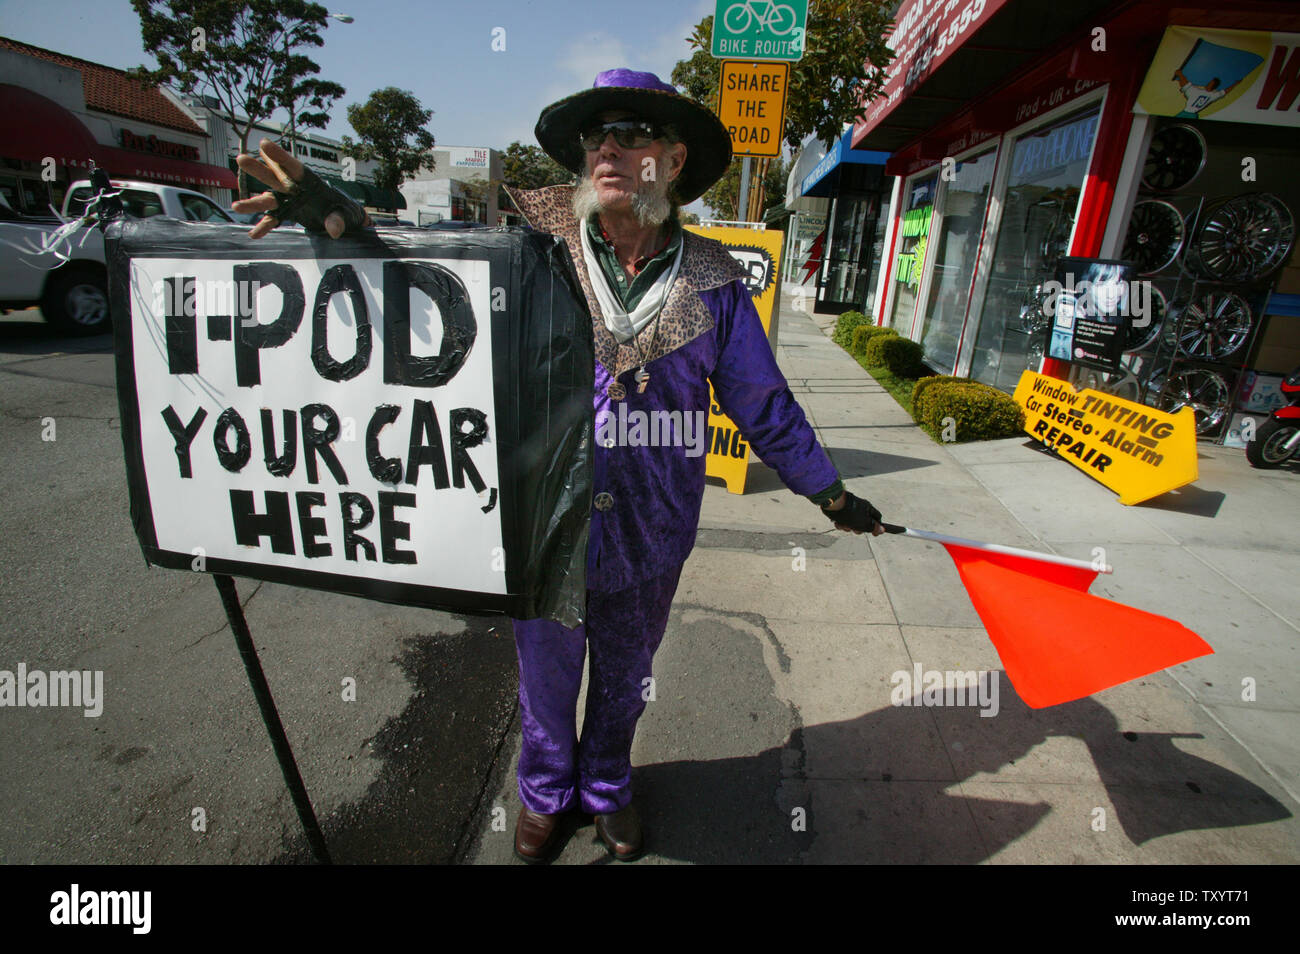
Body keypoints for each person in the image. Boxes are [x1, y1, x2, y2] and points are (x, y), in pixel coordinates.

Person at [231, 68, 887, 865]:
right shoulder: (531, 252)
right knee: (544, 677)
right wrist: (333, 217)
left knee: (624, 674)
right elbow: (418, 282)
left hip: (654, 526)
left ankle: (607, 785)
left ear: (673, 161)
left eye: (630, 133)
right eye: (594, 137)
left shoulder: (713, 279)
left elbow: (761, 399)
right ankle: (545, 790)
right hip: (542, 516)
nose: (606, 148)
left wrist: (829, 490)